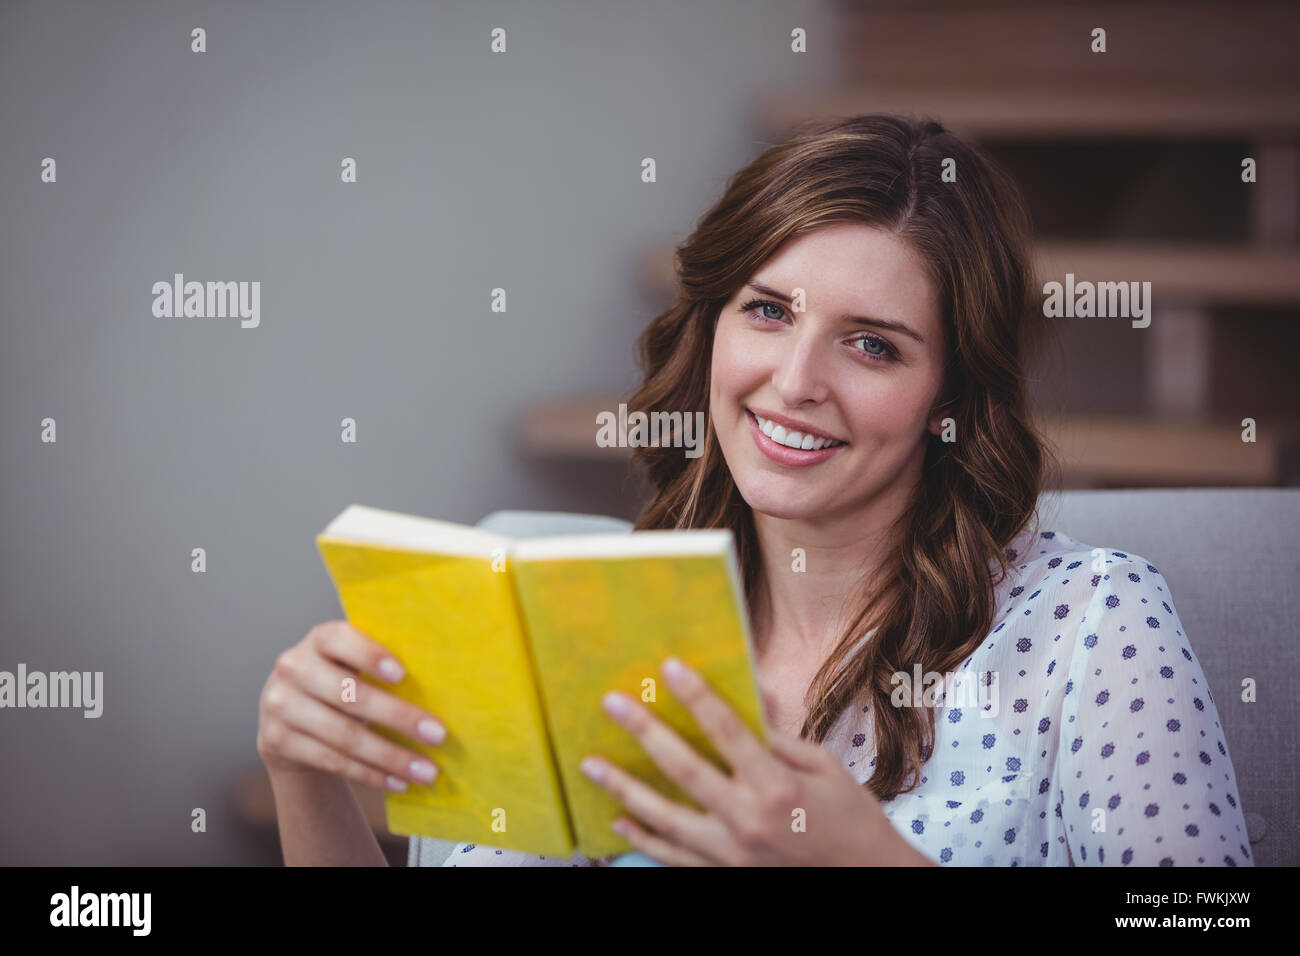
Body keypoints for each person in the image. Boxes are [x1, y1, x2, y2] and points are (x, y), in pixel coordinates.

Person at [260, 113, 1252, 867]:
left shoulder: (1088, 622)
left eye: (871, 343)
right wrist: (303, 774)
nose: (794, 381)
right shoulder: (594, 621)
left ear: (949, 392)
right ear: (712, 329)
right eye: (768, 311)